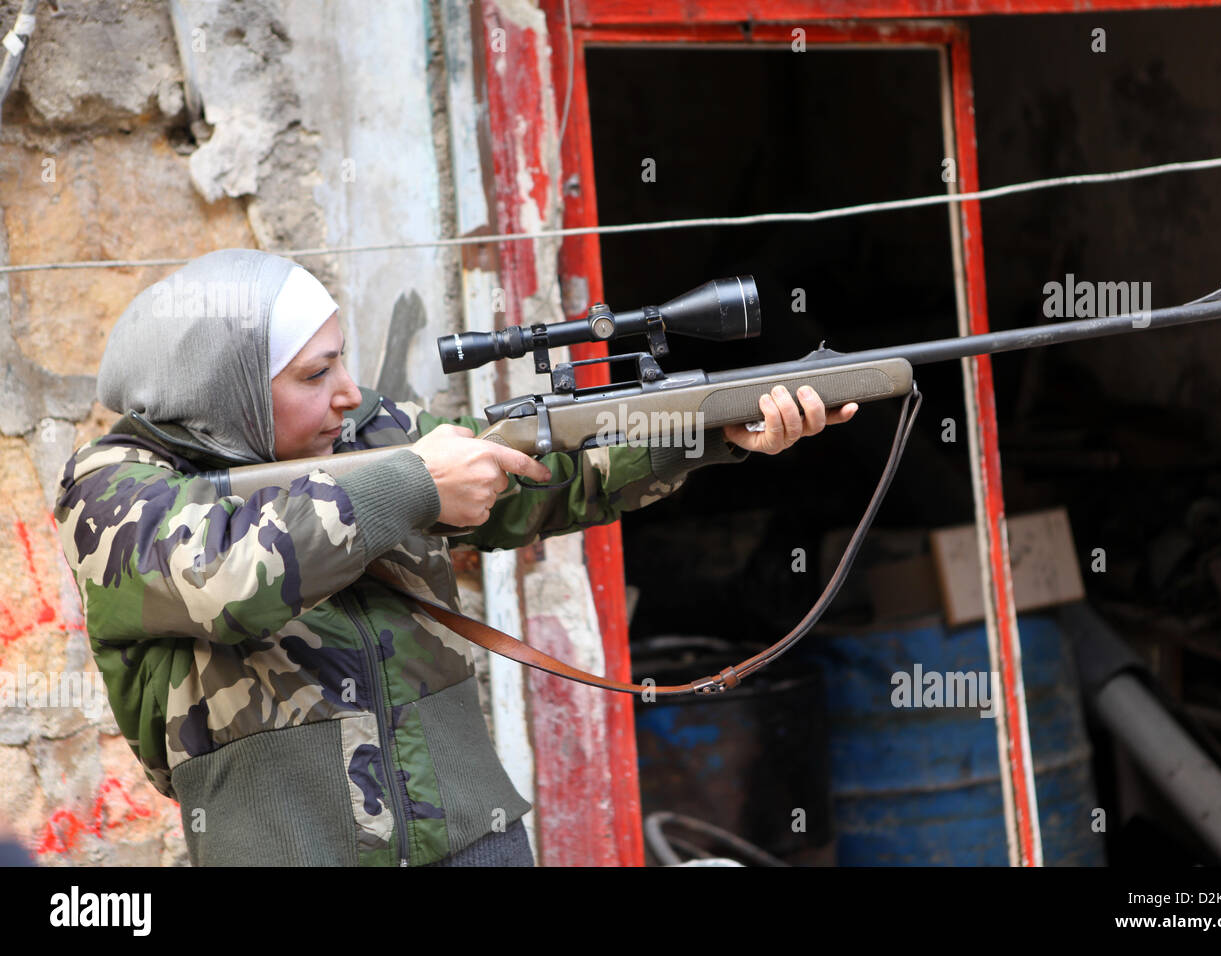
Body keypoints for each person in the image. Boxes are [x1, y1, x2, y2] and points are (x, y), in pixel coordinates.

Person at [53, 248, 857, 867]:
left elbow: (536, 484)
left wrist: (708, 436)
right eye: (315, 372)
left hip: (471, 831)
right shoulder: (113, 490)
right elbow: (226, 578)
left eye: (342, 359)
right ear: (224, 389)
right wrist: (412, 484)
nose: (348, 391)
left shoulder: (363, 430)